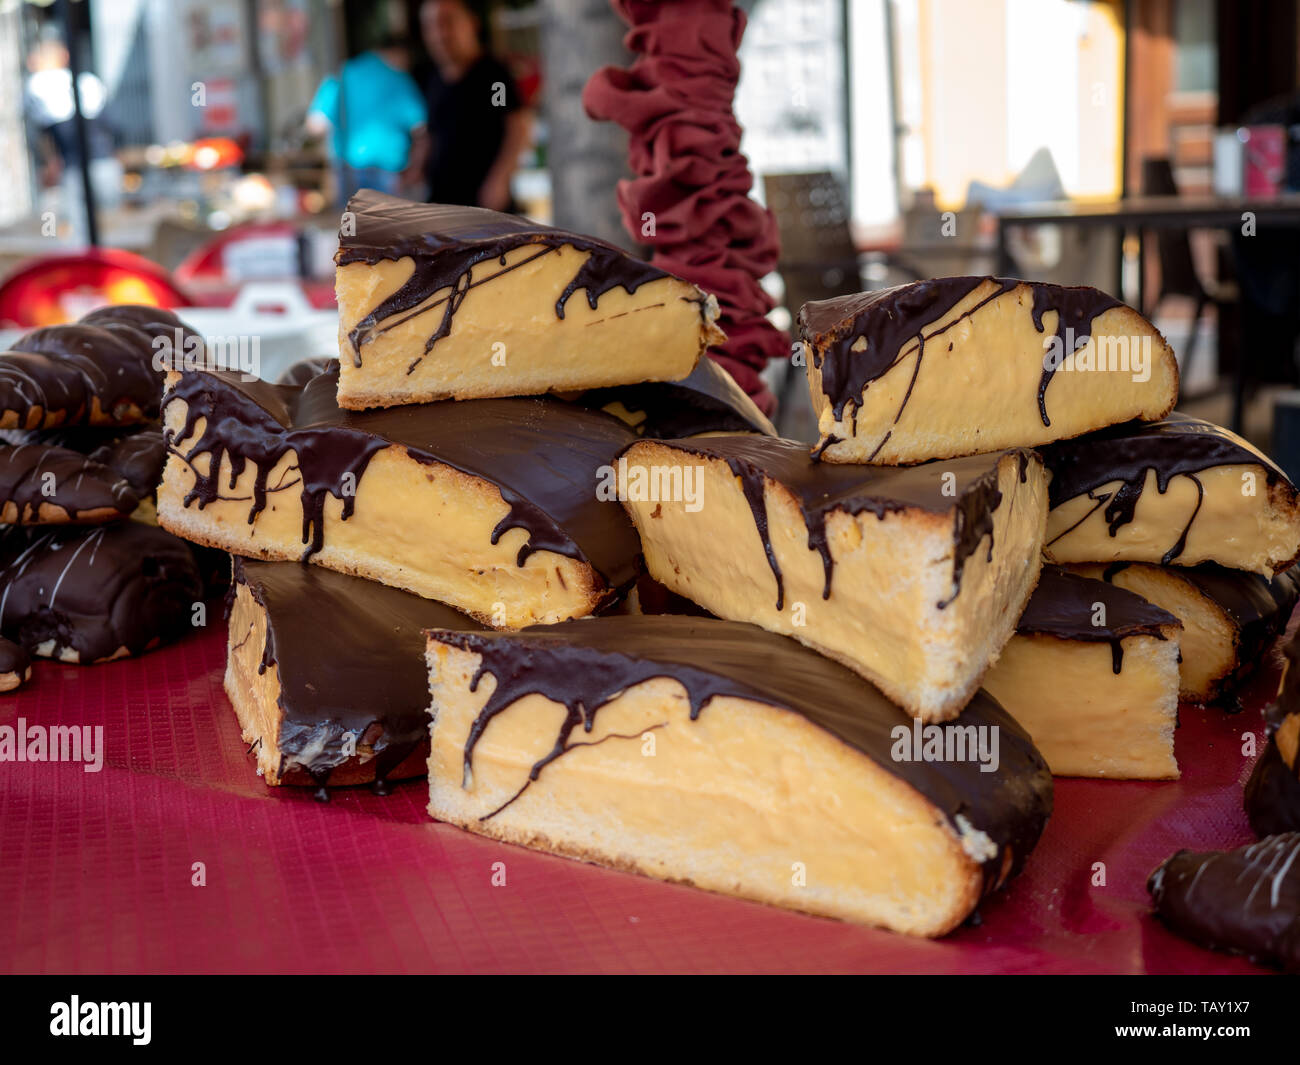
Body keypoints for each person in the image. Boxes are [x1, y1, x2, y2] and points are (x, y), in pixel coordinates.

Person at [412, 0, 532, 211]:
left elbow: (517, 127)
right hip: (441, 205)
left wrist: (500, 179)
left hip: (485, 207)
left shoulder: (495, 78)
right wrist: (415, 170)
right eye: (430, 26)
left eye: (447, 22)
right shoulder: (433, 80)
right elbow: (431, 133)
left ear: (471, 23)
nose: (440, 34)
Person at [306, 35, 427, 206]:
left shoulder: (343, 73)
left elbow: (316, 124)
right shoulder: (399, 78)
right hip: (389, 173)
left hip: (347, 171)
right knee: (387, 229)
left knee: (353, 228)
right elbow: (421, 130)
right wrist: (416, 170)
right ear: (398, 53)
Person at [23, 35, 121, 244]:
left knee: (80, 233)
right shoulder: (88, 82)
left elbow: (41, 134)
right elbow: (110, 128)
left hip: (74, 169)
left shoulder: (37, 86)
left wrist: (49, 164)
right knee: (111, 228)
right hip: (105, 165)